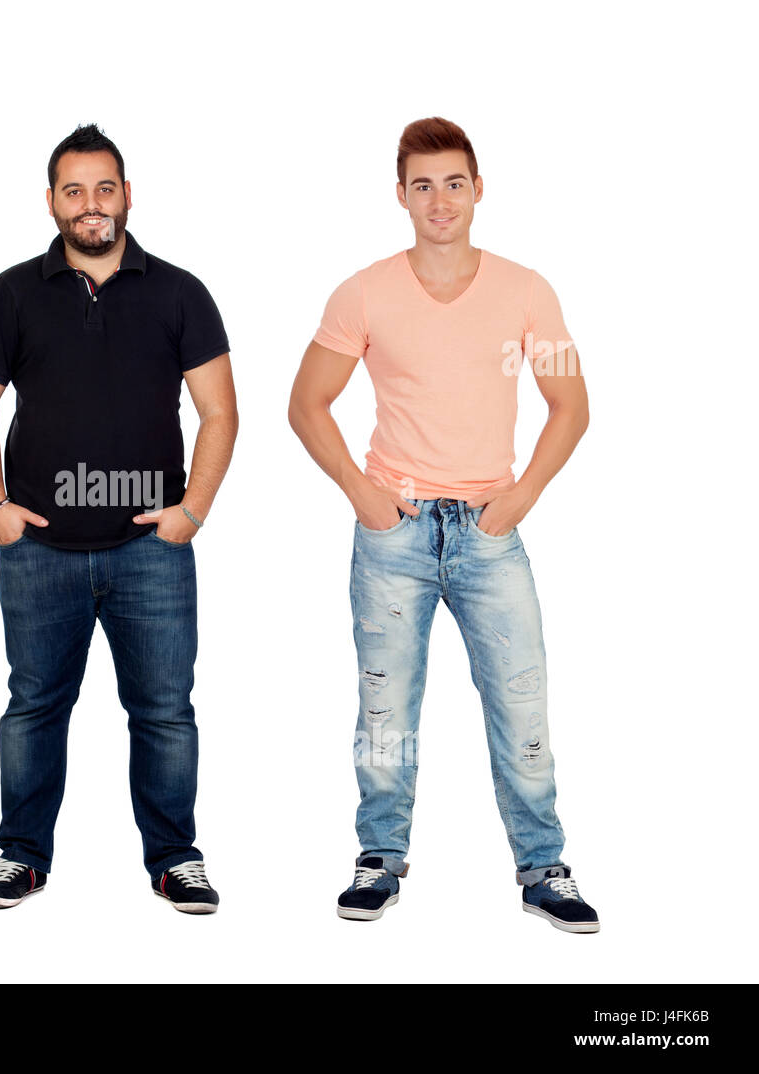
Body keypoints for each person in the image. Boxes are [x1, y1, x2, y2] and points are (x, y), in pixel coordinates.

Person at [288, 116, 599, 933]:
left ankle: (544, 868)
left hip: (491, 532)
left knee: (523, 703)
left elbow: (572, 404)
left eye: (453, 183)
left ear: (478, 189)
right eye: (422, 185)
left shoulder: (527, 290)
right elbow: (305, 403)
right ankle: (379, 859)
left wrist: (523, 494)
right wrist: (360, 491)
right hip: (393, 530)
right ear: (401, 195)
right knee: (384, 709)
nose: (439, 201)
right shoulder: (363, 292)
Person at [0, 124, 238, 913]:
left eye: (104, 188)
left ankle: (176, 858)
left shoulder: (179, 291)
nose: (90, 205)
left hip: (151, 549)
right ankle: (21, 856)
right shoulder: (13, 292)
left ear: (127, 195)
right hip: (39, 549)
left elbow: (219, 410)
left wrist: (192, 512)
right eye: (74, 191)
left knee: (164, 712)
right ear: (52, 202)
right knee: (34, 706)